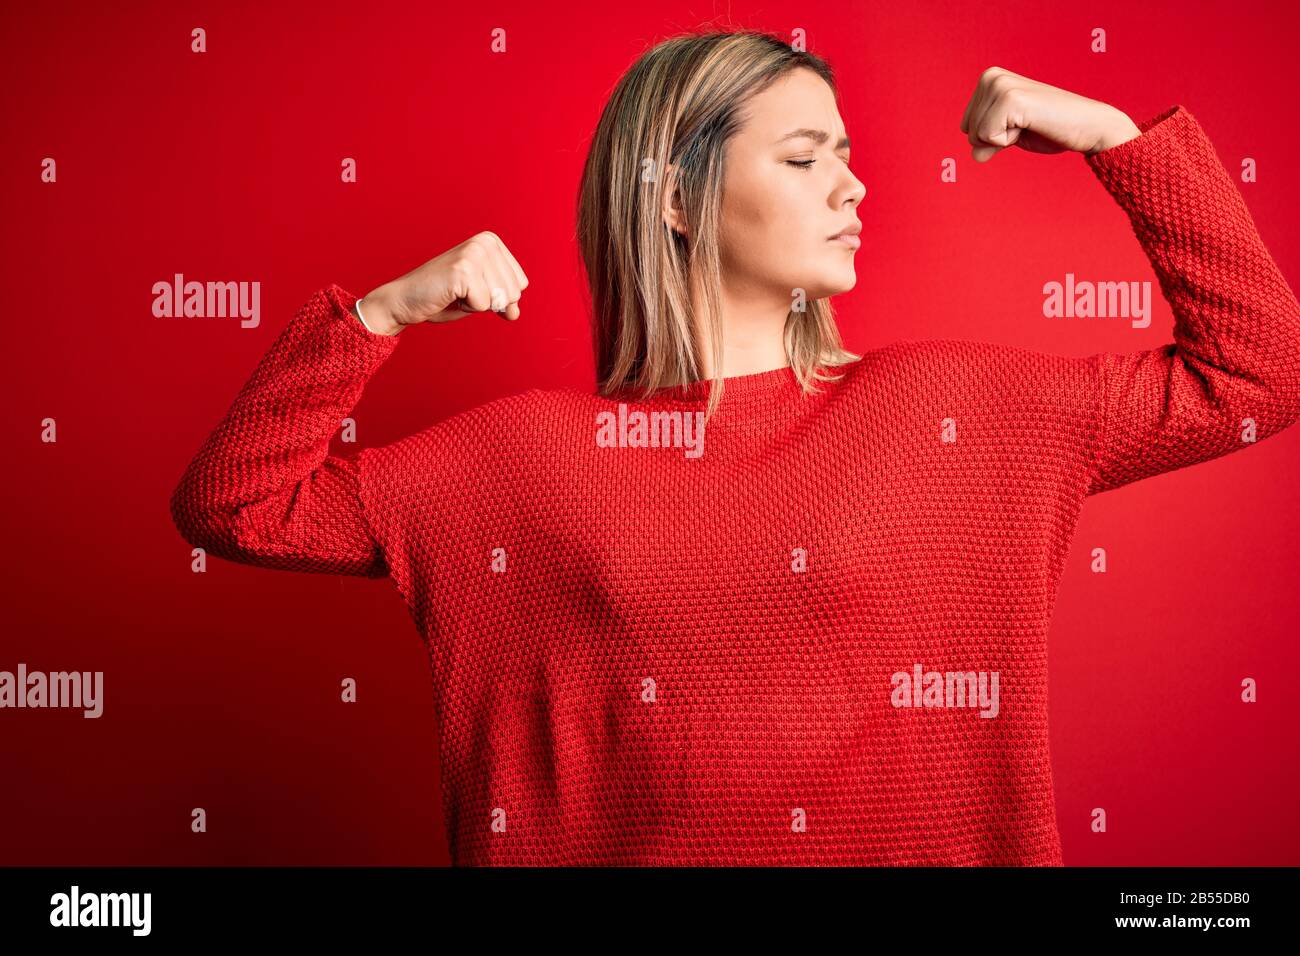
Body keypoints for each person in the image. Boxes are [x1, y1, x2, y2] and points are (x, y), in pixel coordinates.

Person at [169, 30, 1300, 865]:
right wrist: (382, 314)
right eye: (806, 157)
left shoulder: (953, 410)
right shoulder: (522, 461)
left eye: (846, 155)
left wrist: (1113, 137)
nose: (855, 186)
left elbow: (1261, 371)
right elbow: (234, 504)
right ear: (672, 194)